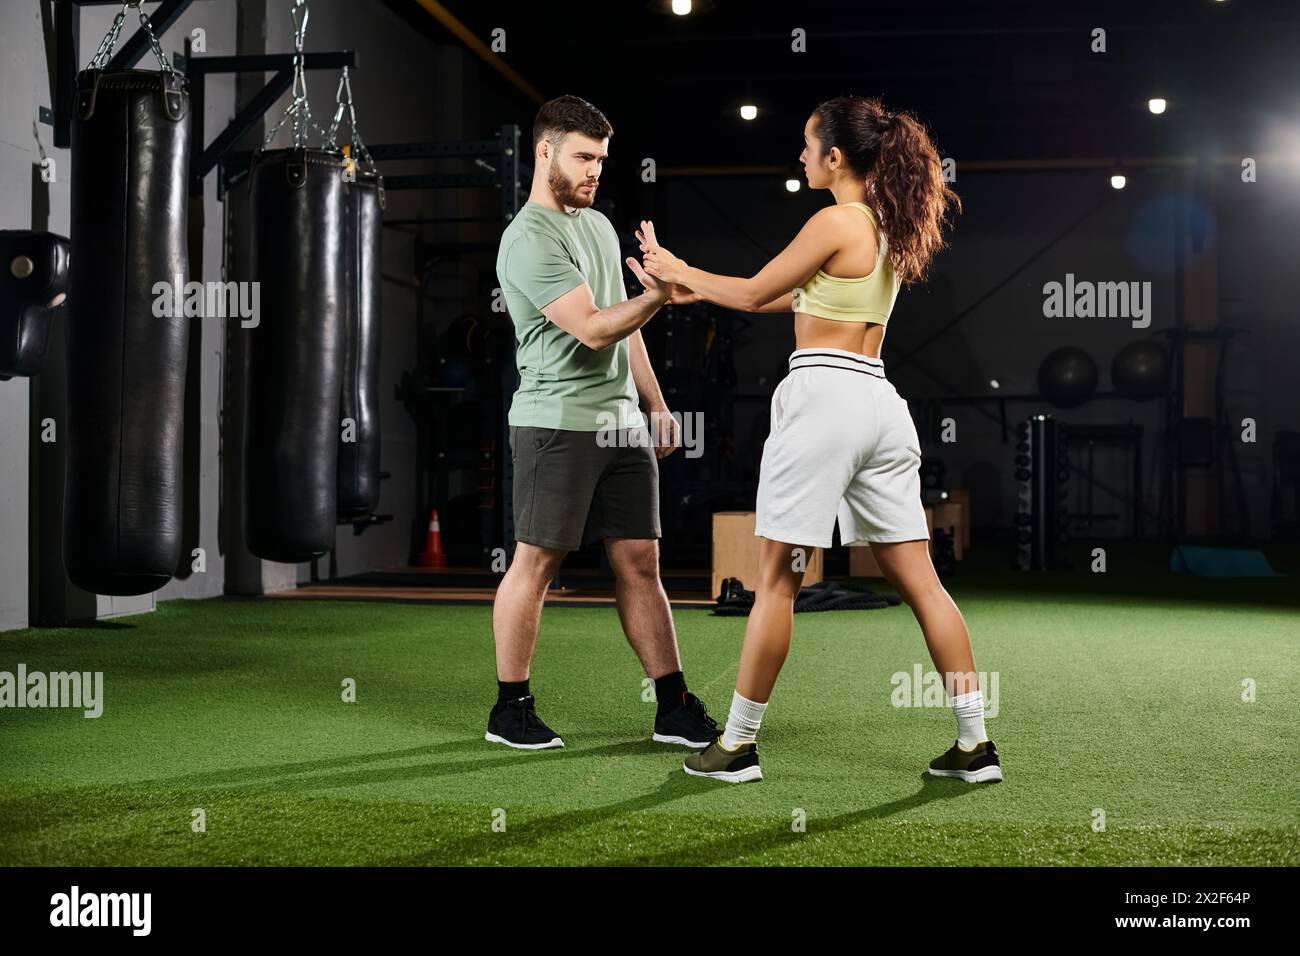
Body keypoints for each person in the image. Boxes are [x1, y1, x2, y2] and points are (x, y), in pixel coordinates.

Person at [637, 95, 1001, 784]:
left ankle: (736, 746)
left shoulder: (834, 218)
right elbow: (798, 294)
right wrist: (696, 290)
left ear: (835, 156)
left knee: (777, 581)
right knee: (923, 584)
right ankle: (975, 745)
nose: (801, 157)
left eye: (807, 146)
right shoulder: (887, 226)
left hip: (822, 400)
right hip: (880, 407)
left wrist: (679, 269)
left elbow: (751, 294)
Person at [488, 94, 719, 751]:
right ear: (545, 152)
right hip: (554, 422)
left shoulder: (595, 225)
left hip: (618, 424)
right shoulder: (528, 238)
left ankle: (672, 704)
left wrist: (656, 404)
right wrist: (656, 296)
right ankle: (510, 708)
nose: (595, 170)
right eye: (584, 157)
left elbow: (625, 327)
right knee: (537, 561)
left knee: (641, 561)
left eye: (602, 159)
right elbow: (593, 331)